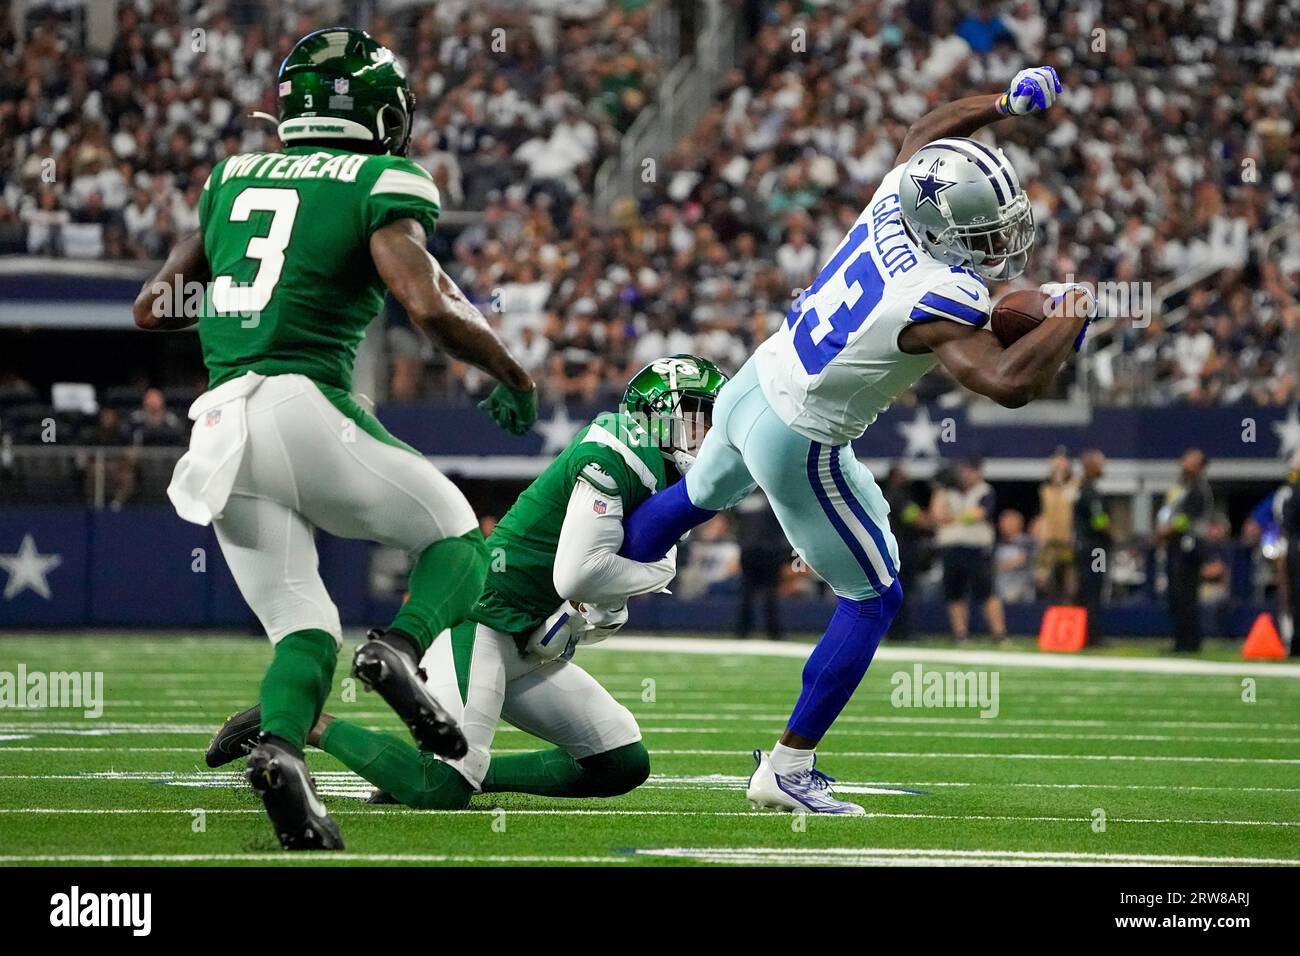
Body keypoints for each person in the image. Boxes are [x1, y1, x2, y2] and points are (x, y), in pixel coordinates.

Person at [616, 66, 1094, 813]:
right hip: (802, 436)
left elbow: (926, 132)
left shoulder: (895, 203)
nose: (1000, 241)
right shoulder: (947, 291)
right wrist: (1071, 313)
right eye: (983, 230)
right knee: (874, 600)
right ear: (946, 230)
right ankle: (788, 768)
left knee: (695, 495)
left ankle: (578, 604)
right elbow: (1006, 382)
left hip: (757, 378)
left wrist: (1001, 104)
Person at [134, 29, 538, 850]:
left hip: (217, 426)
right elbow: (426, 308)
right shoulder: (382, 177)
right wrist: (513, 374)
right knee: (458, 533)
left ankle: (281, 749)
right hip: (299, 403)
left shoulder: (229, 176)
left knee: (302, 625)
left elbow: (151, 307)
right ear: (378, 112)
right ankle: (398, 648)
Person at [205, 357, 727, 809]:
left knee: (621, 763)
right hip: (478, 618)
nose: (704, 435)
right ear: (657, 414)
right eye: (697, 418)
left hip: (526, 638)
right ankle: (309, 721)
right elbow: (578, 571)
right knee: (440, 790)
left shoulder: (659, 480)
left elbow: (593, 599)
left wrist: (597, 613)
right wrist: (658, 574)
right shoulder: (619, 449)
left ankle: (471, 772)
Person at [933, 457, 1007, 641]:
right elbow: (937, 515)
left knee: (987, 591)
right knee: (954, 592)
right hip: (951, 548)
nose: (966, 475)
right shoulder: (948, 491)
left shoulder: (985, 491)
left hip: (976, 548)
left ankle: (999, 633)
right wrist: (941, 489)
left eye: (971, 471)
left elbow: (978, 515)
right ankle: (960, 634)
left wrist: (953, 518)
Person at [1157, 448, 1213, 653]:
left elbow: (1185, 519)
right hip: (1177, 544)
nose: (1184, 462)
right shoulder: (1183, 486)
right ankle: (1182, 638)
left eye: (1190, 460)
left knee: (1185, 593)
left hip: (1188, 546)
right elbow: (1172, 511)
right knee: (1177, 594)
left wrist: (1166, 530)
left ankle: (1189, 640)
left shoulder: (1198, 488)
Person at [884, 463, 930, 641]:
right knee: (903, 590)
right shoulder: (899, 496)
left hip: (890, 548)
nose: (907, 476)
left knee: (896, 590)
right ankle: (900, 632)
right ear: (895, 476)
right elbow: (918, 520)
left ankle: (895, 631)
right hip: (903, 549)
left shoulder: (885, 495)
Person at [735, 491, 788, 639]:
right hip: (768, 550)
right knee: (769, 593)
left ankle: (743, 631)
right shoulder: (772, 498)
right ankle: (773, 632)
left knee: (748, 593)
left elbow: (739, 527)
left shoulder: (742, 499)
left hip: (750, 550)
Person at [1072, 449, 1111, 645]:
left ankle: (1082, 633)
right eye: (1100, 464)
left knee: (1085, 590)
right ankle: (1091, 636)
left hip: (1084, 546)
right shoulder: (1091, 491)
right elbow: (1099, 522)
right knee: (1094, 589)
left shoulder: (1082, 489)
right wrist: (1115, 535)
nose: (1103, 468)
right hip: (1096, 549)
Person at [1036, 447, 1076, 601]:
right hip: (1049, 543)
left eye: (1063, 460)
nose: (1059, 464)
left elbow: (1075, 514)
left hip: (1068, 543)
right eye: (1056, 460)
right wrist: (1042, 530)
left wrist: (1073, 532)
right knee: (1043, 579)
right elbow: (1043, 513)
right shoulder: (1045, 488)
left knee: (1069, 581)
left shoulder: (1075, 485)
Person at [994, 509, 1036, 604]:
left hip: (1022, 587)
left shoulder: (1029, 542)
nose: (1006, 524)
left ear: (1020, 523)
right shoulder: (997, 544)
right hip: (1000, 587)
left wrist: (1004, 564)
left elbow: (1022, 561)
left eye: (1010, 521)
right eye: (1003, 521)